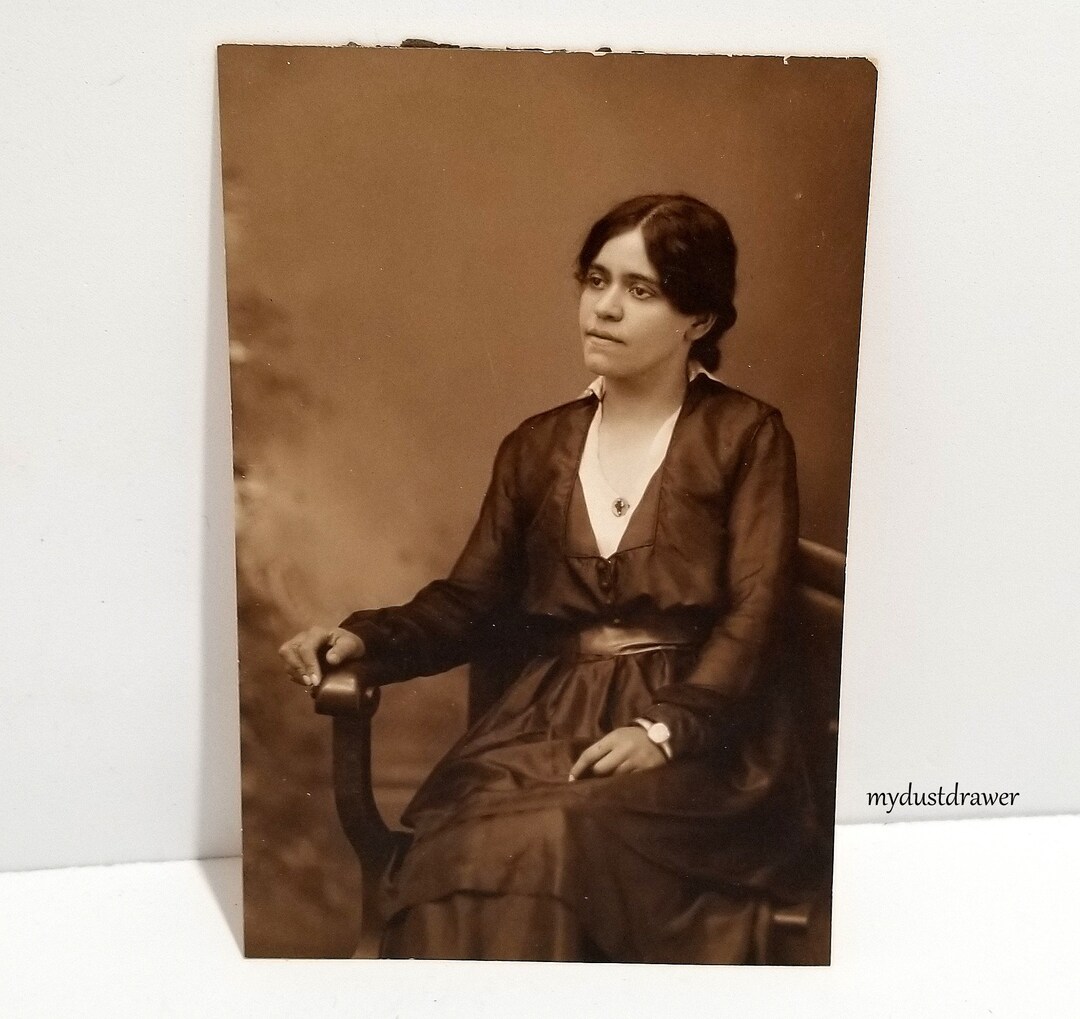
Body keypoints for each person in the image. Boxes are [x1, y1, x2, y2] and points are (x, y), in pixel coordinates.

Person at [278, 193, 818, 963]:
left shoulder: (746, 435)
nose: (604, 307)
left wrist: (663, 729)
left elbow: (756, 610)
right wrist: (363, 635)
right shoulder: (536, 447)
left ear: (698, 318)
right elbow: (468, 604)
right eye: (596, 280)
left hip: (701, 746)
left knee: (555, 831)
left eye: (641, 290)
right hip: (541, 726)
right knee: (463, 842)